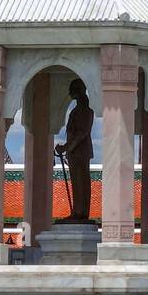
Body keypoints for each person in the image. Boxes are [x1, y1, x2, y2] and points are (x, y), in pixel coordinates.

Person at [55, 79, 95, 223]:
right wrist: (66, 148)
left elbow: (82, 133)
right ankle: (77, 211)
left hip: (80, 151)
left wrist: (67, 147)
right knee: (77, 181)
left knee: (81, 181)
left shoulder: (85, 111)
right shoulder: (76, 111)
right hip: (74, 152)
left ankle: (80, 212)